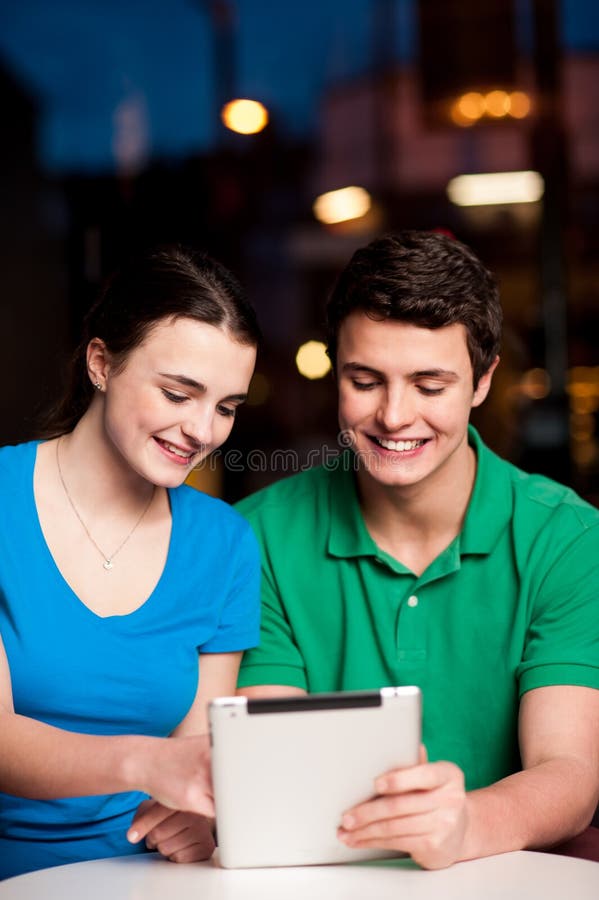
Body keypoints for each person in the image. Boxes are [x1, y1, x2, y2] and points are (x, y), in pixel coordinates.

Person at [235, 230, 599, 870]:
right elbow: (274, 772)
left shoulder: (567, 538)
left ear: (483, 381)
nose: (395, 416)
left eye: (430, 385)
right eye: (365, 380)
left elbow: (569, 771)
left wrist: (466, 825)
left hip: (504, 878)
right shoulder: (256, 538)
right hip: (321, 879)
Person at [0, 246, 261, 879]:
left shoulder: (224, 544)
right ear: (100, 363)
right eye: (178, 393)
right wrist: (148, 765)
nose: (202, 430)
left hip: (152, 877)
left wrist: (194, 817)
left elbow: (196, 753)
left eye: (226, 407)